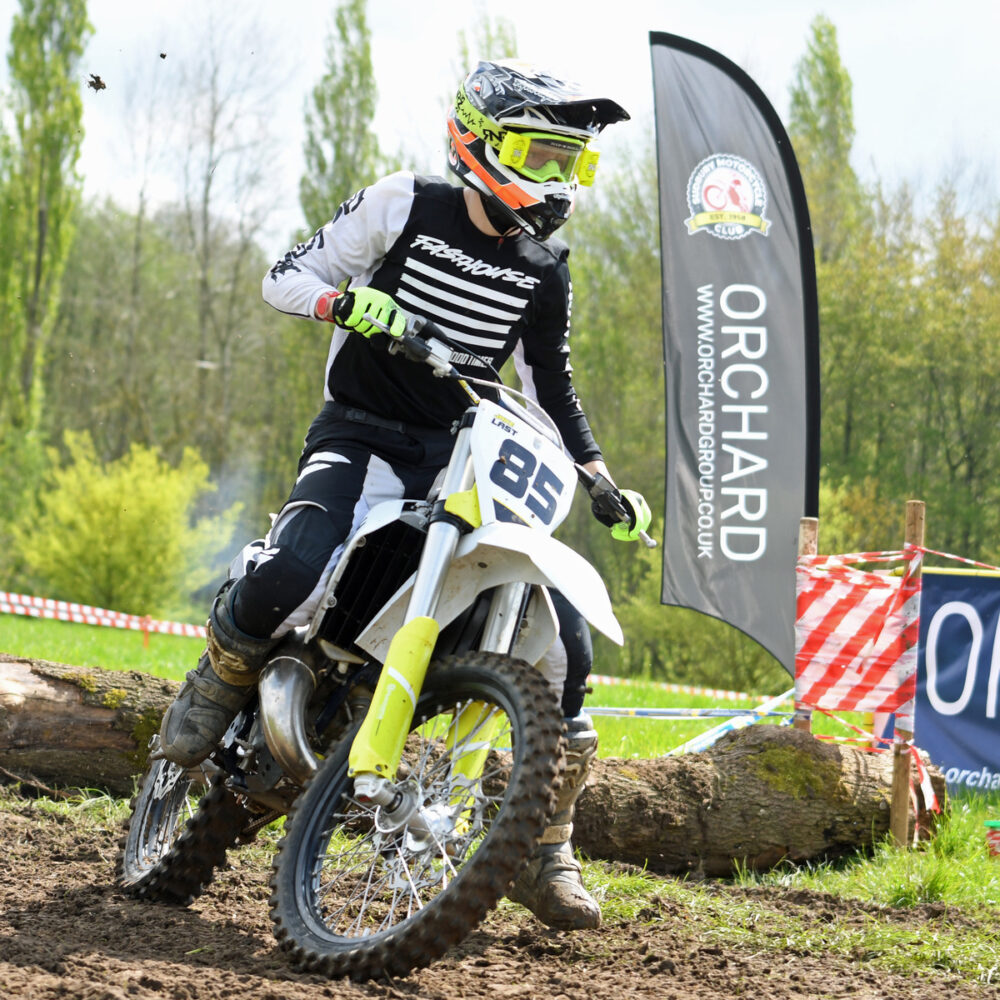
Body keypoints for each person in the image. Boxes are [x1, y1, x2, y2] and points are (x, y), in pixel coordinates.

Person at [159, 59, 651, 931]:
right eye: (541, 154)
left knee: (565, 648)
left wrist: (601, 475)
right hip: (360, 431)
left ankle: (544, 842)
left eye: (571, 162)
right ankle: (219, 675)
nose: (556, 179)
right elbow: (283, 277)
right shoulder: (405, 203)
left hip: (462, 457)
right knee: (286, 577)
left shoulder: (544, 267)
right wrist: (346, 307)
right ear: (480, 140)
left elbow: (550, 388)